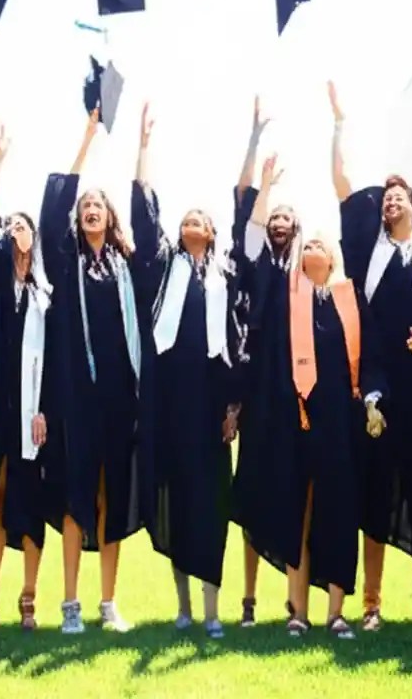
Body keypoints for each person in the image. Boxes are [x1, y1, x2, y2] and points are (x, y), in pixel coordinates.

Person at [241, 155, 386, 638]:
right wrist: (262, 190)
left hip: (340, 425)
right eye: (310, 243)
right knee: (295, 513)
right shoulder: (286, 296)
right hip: (293, 420)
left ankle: (337, 612)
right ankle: (298, 613)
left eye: (322, 243)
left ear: (333, 256)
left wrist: (371, 400)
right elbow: (255, 248)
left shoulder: (350, 298)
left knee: (340, 512)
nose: (314, 247)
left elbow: (369, 360)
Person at [329, 82, 412, 634]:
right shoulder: (366, 251)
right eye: (387, 197)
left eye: (401, 195)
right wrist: (339, 122)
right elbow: (344, 183)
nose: (392, 199)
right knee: (374, 497)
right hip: (375, 391)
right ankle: (371, 605)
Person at [132, 104, 243, 639]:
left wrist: (233, 407)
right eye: (187, 218)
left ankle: (213, 609)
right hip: (168, 409)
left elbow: (236, 348)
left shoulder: (226, 277)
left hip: (209, 414)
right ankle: (182, 606)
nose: (192, 222)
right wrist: (144, 147)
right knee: (175, 505)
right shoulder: (162, 268)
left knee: (210, 508)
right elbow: (143, 215)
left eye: (202, 218)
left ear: (213, 231)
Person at [38, 108, 147, 634]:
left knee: (110, 498)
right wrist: (84, 140)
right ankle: (70, 606)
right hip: (75, 401)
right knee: (76, 498)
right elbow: (52, 208)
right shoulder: (66, 263)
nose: (89, 210)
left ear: (110, 216)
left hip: (119, 401)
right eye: (84, 206)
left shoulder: (125, 269)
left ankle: (108, 603)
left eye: (97, 205)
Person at [0, 122, 56, 635]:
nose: (16, 228)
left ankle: (29, 596)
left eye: (25, 224)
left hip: (35, 415)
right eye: (11, 224)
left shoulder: (46, 295)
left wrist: (44, 410)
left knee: (32, 502)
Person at [229, 97, 286, 627]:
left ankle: (295, 602)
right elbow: (248, 215)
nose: (280, 221)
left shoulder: (307, 277)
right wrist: (254, 141)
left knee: (291, 495)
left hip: (295, 400)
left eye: (289, 215)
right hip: (257, 394)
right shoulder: (256, 264)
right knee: (248, 498)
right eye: (275, 217)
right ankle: (247, 600)